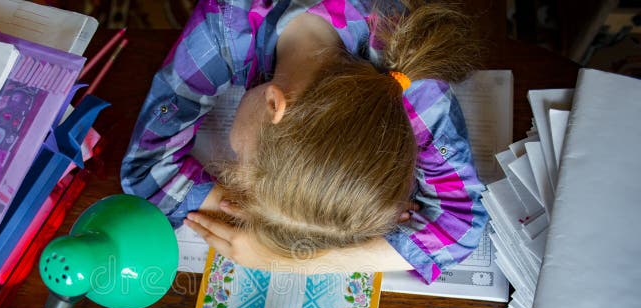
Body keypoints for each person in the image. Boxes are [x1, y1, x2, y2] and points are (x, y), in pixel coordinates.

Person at [121, 0, 486, 284]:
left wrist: (291, 261)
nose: (237, 168)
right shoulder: (226, 22)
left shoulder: (409, 78)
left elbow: (462, 224)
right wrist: (230, 204)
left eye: (243, 169)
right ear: (273, 104)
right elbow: (146, 166)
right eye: (241, 168)